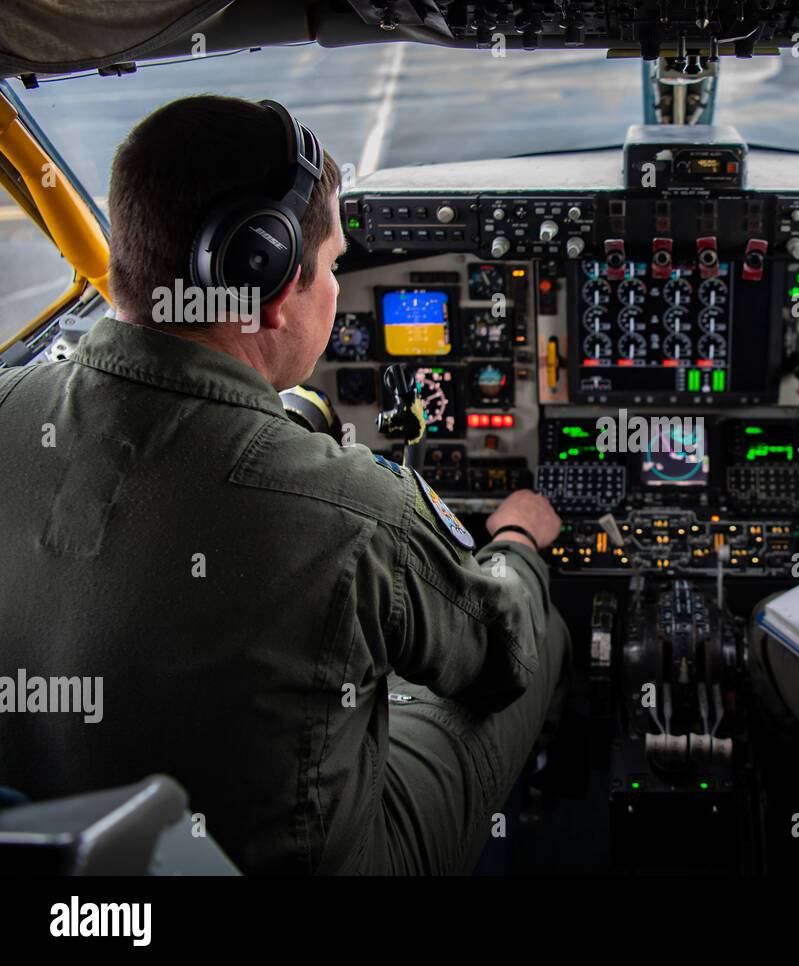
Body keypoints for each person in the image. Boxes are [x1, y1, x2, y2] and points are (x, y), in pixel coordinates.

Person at [0, 95, 569, 874]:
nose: (337, 286)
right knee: (525, 641)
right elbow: (501, 656)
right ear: (261, 275)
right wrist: (517, 542)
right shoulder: (357, 510)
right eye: (334, 264)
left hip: (69, 857)